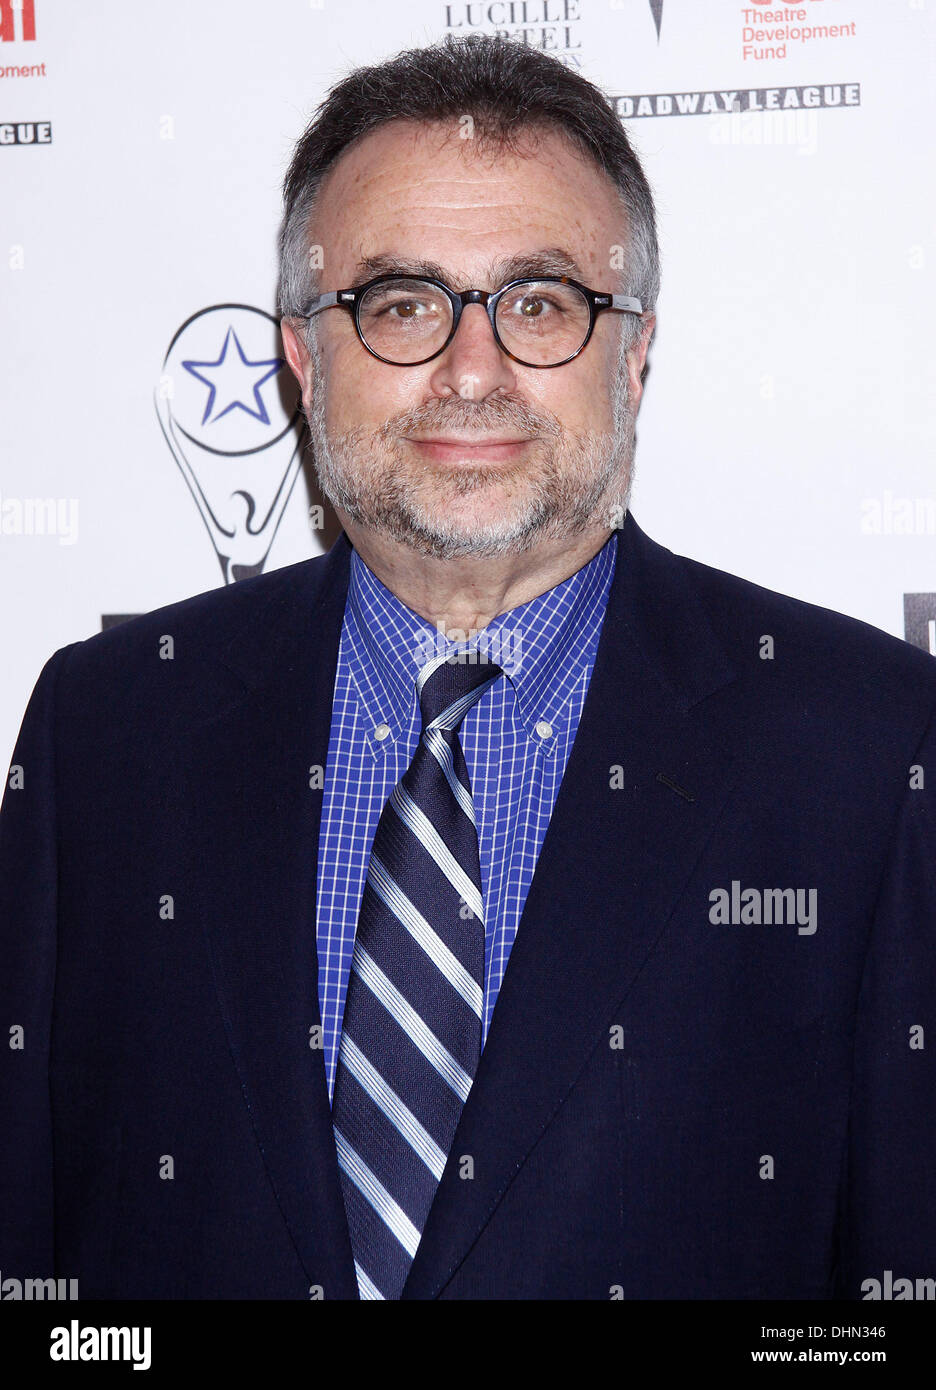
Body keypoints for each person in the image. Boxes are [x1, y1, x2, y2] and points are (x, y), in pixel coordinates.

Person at [1, 33, 934, 1302]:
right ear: (300, 359)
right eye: (401, 305)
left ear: (636, 356)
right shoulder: (105, 730)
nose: (473, 369)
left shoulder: (868, 749)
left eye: (541, 303)